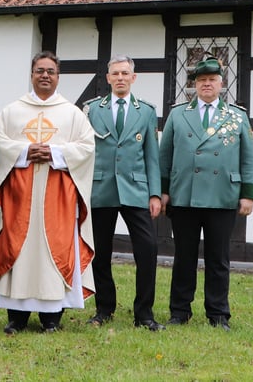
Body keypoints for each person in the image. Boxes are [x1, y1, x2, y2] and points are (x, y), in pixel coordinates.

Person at [0, 50, 96, 333]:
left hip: (58, 197)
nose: (45, 75)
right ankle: (16, 317)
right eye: (40, 70)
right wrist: (23, 150)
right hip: (19, 197)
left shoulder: (72, 114)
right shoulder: (12, 111)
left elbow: (86, 148)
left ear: (58, 77)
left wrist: (55, 152)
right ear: (31, 74)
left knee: (54, 251)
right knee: (17, 250)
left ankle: (51, 318)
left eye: (51, 71)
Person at [159, 56, 253, 331]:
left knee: (218, 259)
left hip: (222, 195)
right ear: (194, 85)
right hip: (185, 196)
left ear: (221, 84)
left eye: (212, 80)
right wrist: (163, 192)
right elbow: (164, 156)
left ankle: (218, 314)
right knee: (184, 257)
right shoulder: (178, 114)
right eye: (201, 80)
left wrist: (248, 194)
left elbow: (249, 158)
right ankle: (179, 311)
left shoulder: (237, 116)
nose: (206, 84)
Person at [83, 55, 164, 331]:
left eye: (125, 73)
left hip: (136, 189)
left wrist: (155, 194)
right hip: (101, 189)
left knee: (148, 249)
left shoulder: (146, 111)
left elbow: (152, 156)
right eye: (115, 73)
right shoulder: (92, 109)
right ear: (107, 78)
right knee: (100, 253)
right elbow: (85, 153)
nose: (120, 77)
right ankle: (104, 309)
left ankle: (144, 313)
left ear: (133, 78)